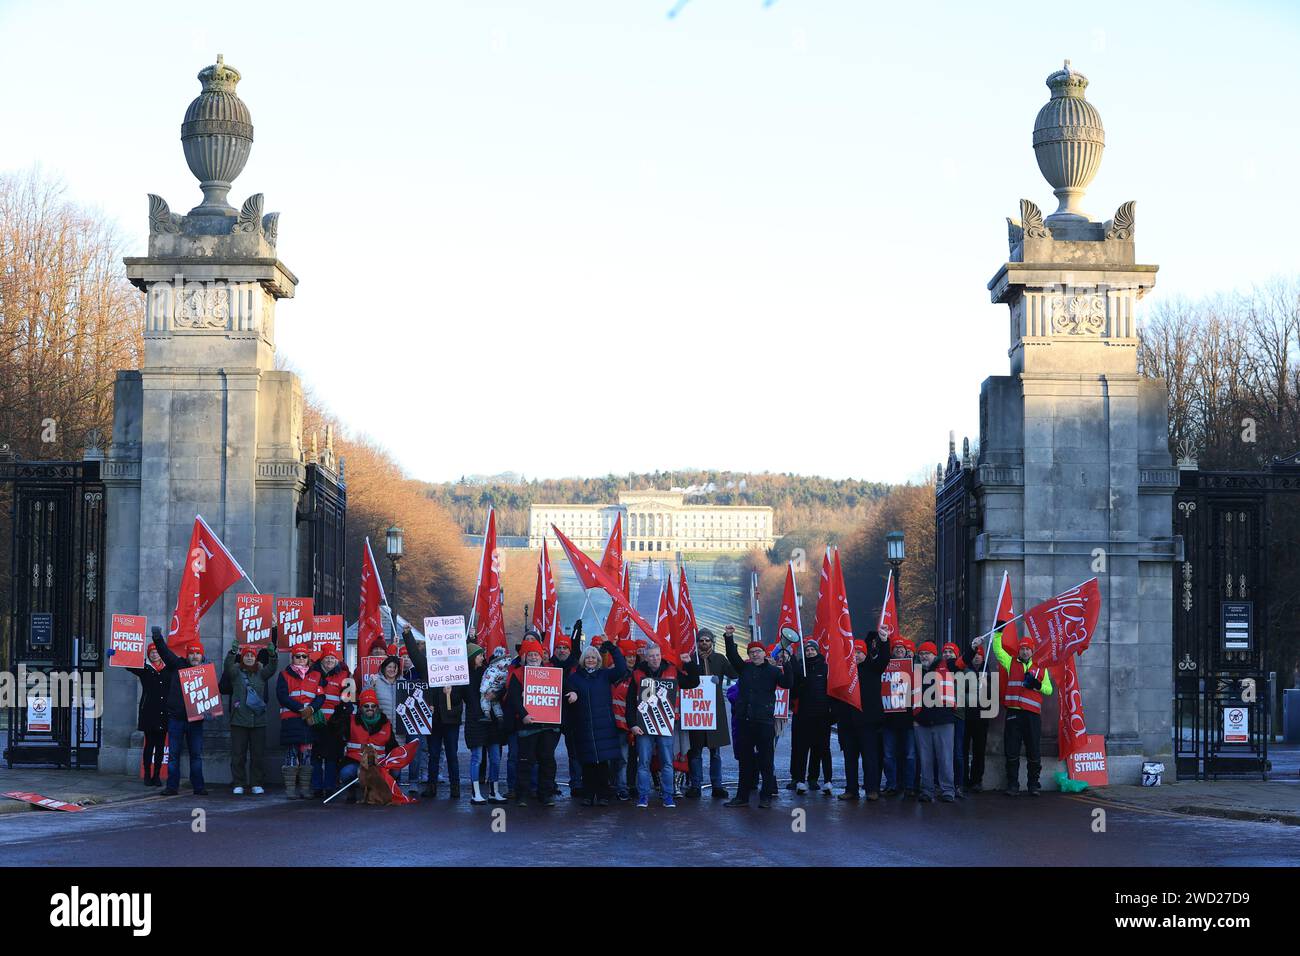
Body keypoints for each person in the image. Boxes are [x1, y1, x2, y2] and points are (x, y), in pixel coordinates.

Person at [722, 626, 792, 808]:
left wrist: (789, 663)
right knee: (745, 762)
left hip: (764, 722)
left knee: (766, 762)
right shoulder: (744, 669)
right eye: (751, 652)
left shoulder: (774, 672)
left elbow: (788, 683)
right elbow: (732, 656)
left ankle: (766, 796)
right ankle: (742, 797)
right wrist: (729, 637)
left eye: (757, 651)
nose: (754, 655)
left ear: (764, 653)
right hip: (745, 721)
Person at [627, 640, 699, 809]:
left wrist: (689, 664)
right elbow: (630, 702)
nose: (655, 659)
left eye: (657, 655)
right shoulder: (637, 674)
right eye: (651, 656)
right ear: (645, 657)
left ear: (661, 655)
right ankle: (643, 797)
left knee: (667, 762)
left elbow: (692, 683)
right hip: (644, 726)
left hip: (665, 725)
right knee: (643, 762)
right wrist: (632, 725)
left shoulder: (672, 669)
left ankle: (668, 796)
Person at [981, 630, 1053, 796]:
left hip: (1032, 715)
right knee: (1011, 750)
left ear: (1032, 650)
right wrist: (998, 634)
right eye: (1022, 649)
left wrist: (1037, 684)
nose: (1025, 651)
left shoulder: (1041, 668)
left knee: (1033, 750)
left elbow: (1049, 690)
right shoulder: (1010, 662)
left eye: (1028, 649)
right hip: (1014, 713)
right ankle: (1013, 784)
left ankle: (1033, 785)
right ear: (1019, 650)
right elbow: (998, 651)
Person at [402, 625, 465, 799]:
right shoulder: (428, 667)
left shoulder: (457, 669)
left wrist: (451, 698)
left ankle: (455, 787)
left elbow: (462, 696)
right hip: (434, 719)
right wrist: (407, 635)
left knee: (452, 754)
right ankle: (431, 787)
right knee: (433, 754)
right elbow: (415, 655)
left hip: (451, 720)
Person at [564, 639, 629, 805]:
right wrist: (572, 694)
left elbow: (622, 669)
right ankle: (588, 795)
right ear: (583, 660)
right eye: (588, 657)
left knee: (603, 764)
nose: (590, 660)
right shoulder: (575, 677)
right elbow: (568, 688)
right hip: (584, 725)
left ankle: (603, 795)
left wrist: (613, 650)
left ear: (599, 659)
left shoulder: (605, 675)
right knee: (588, 763)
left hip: (604, 726)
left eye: (593, 657)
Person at [150, 627, 210, 797]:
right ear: (187, 655)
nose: (195, 656)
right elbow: (165, 652)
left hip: (196, 720)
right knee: (174, 755)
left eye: (197, 654)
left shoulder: (206, 671)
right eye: (192, 653)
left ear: (202, 656)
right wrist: (157, 637)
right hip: (176, 719)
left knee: (196, 756)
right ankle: (172, 787)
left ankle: (199, 787)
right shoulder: (177, 665)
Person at [504, 638, 563, 807]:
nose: (533, 657)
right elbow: (514, 698)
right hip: (527, 724)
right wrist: (523, 715)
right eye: (530, 654)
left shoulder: (552, 673)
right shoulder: (518, 674)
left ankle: (545, 794)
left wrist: (572, 693)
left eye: (536, 654)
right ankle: (522, 794)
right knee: (525, 761)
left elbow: (563, 689)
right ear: (525, 656)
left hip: (548, 726)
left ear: (541, 656)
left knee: (547, 760)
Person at [686, 629, 738, 799]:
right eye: (701, 640)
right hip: (696, 711)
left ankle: (717, 785)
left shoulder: (720, 658)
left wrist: (731, 646)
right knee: (696, 752)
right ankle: (695, 785)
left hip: (715, 711)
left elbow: (734, 673)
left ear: (712, 642)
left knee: (715, 752)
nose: (704, 643)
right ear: (697, 642)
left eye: (707, 640)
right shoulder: (691, 659)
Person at [108, 641, 168, 786]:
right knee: (149, 745)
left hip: (164, 712)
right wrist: (115, 655)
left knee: (160, 746)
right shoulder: (144, 668)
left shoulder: (168, 668)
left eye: (156, 652)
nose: (154, 654)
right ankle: (147, 774)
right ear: (148, 654)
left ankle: (157, 775)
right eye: (151, 652)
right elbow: (128, 664)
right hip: (148, 711)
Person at [834, 633, 886, 801]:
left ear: (865, 654)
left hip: (867, 722)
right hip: (847, 723)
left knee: (870, 758)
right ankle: (851, 789)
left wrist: (885, 641)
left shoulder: (873, 668)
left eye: (859, 652)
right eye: (853, 652)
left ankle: (872, 789)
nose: (856, 655)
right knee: (850, 759)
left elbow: (884, 659)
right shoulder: (843, 671)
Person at [224, 638, 278, 795]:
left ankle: (256, 782)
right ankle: (238, 783)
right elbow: (227, 667)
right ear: (242, 657)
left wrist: (272, 655)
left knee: (258, 755)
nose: (249, 658)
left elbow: (272, 668)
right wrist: (232, 653)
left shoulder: (261, 672)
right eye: (246, 655)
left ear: (256, 658)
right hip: (239, 720)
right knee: (238, 755)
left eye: (252, 656)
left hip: (258, 721)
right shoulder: (235, 672)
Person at [276, 641, 323, 799]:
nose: (301, 659)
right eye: (298, 656)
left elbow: (321, 696)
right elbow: (282, 697)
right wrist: (301, 708)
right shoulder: (284, 675)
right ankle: (290, 790)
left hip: (308, 721)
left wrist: (312, 709)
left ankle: (304, 789)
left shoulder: (316, 675)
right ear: (292, 658)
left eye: (304, 656)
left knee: (307, 756)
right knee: (291, 755)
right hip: (291, 720)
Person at [331, 688, 396, 801]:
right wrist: (341, 708)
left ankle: (387, 791)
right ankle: (352, 791)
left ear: (377, 708)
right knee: (346, 772)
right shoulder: (350, 721)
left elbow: (394, 747)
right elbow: (334, 728)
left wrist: (394, 761)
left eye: (373, 706)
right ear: (361, 708)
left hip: (379, 765)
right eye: (366, 706)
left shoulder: (386, 723)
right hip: (356, 762)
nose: (370, 708)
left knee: (396, 770)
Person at [912, 641, 957, 803]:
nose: (924, 656)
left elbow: (963, 660)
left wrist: (973, 647)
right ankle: (927, 790)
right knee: (925, 759)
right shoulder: (915, 671)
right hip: (921, 721)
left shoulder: (948, 666)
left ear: (934, 655)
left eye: (927, 653)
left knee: (945, 757)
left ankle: (947, 790)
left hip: (943, 719)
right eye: (921, 653)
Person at [790, 638, 834, 795]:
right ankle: (801, 780)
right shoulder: (801, 668)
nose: (809, 652)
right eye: (807, 650)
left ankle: (826, 780)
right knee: (802, 749)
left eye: (812, 650)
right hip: (804, 715)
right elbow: (793, 690)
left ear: (817, 651)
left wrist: (831, 715)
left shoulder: (826, 668)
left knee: (823, 749)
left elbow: (832, 692)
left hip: (822, 715)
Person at [464, 643, 507, 804]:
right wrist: (449, 691)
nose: (483, 657)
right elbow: (457, 698)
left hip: (492, 721)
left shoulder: (488, 670)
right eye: (480, 655)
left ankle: (494, 791)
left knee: (495, 758)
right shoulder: (464, 676)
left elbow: (502, 687)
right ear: (472, 658)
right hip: (475, 720)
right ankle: (476, 793)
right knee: (477, 758)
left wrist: (495, 693)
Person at [308, 643, 350, 798]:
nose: (330, 661)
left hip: (334, 724)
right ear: (322, 659)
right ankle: (317, 787)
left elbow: (349, 700)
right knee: (316, 756)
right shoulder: (312, 673)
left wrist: (340, 719)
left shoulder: (345, 675)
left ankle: (330, 787)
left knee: (332, 756)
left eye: (333, 658)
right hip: (314, 722)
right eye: (327, 658)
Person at [881, 637, 918, 798]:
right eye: (896, 648)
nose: (899, 650)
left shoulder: (915, 668)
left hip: (909, 720)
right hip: (889, 720)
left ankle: (909, 786)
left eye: (902, 648)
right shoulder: (884, 667)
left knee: (910, 755)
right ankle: (892, 785)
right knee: (889, 755)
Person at [550, 633, 583, 796]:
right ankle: (549, 783)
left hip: (572, 716)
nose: (562, 650)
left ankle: (576, 783)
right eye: (559, 648)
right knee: (548, 753)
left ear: (570, 650)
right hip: (551, 714)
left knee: (575, 754)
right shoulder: (548, 666)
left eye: (565, 648)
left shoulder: (577, 667)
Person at [610, 639, 640, 800]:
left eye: (634, 656)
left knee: (631, 759)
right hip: (616, 724)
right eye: (628, 656)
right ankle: (619, 786)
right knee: (619, 758)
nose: (632, 659)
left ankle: (629, 785)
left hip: (633, 725)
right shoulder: (615, 676)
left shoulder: (638, 676)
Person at [941, 642, 970, 798]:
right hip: (942, 715)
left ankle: (959, 784)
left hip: (958, 715)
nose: (947, 654)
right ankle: (942, 784)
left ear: (957, 655)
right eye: (945, 651)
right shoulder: (938, 669)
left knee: (958, 752)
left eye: (950, 652)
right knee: (942, 753)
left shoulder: (964, 671)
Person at [963, 639, 990, 792]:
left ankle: (977, 780)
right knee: (963, 750)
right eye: (975, 655)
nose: (977, 657)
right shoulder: (965, 670)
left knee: (979, 751)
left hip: (982, 717)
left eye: (980, 655)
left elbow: (993, 693)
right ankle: (963, 779)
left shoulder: (989, 671)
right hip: (967, 715)